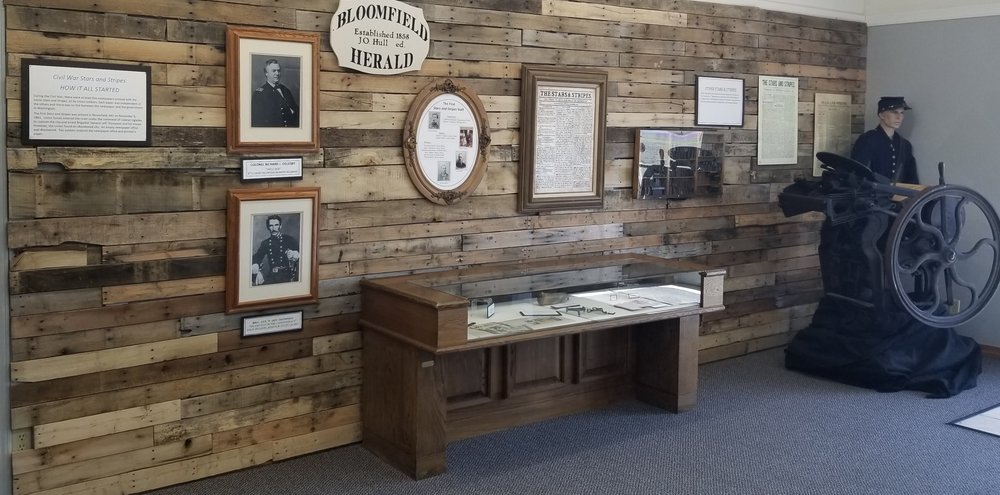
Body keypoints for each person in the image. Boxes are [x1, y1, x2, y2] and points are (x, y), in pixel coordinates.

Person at [850, 96, 918, 183]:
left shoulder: (905, 145)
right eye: (894, 112)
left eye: (902, 113)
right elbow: (857, 174)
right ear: (881, 115)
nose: (899, 117)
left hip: (899, 195)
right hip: (872, 194)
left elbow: (912, 179)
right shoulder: (868, 140)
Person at [251, 215, 300, 285]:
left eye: (276, 225)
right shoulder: (266, 243)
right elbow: (258, 256)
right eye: (271, 226)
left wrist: (294, 254)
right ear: (268, 227)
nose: (274, 228)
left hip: (287, 276)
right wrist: (255, 264)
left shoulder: (289, 239)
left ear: (280, 226)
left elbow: (302, 254)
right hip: (272, 276)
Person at [251, 59, 299, 127]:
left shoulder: (285, 90)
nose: (277, 73)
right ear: (266, 73)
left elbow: (296, 111)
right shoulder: (259, 94)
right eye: (274, 71)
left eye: (278, 71)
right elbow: (258, 121)